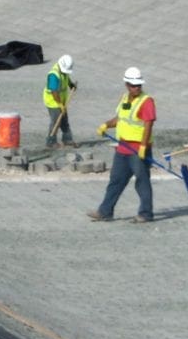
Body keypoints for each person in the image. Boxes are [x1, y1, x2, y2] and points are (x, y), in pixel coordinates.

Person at [88, 66, 156, 223]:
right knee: (116, 180)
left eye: (139, 85)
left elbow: (148, 125)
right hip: (123, 147)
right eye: (133, 85)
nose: (137, 88)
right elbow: (120, 118)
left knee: (142, 181)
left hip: (138, 149)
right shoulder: (124, 99)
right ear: (126, 84)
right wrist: (106, 125)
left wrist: (144, 147)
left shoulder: (147, 102)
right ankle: (105, 211)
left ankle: (146, 214)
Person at [43, 54, 77, 148]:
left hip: (61, 100)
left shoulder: (63, 72)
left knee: (64, 120)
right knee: (56, 121)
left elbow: (66, 78)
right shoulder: (53, 75)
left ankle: (67, 140)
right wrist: (60, 105)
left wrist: (71, 85)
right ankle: (51, 141)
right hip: (53, 101)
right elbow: (54, 92)